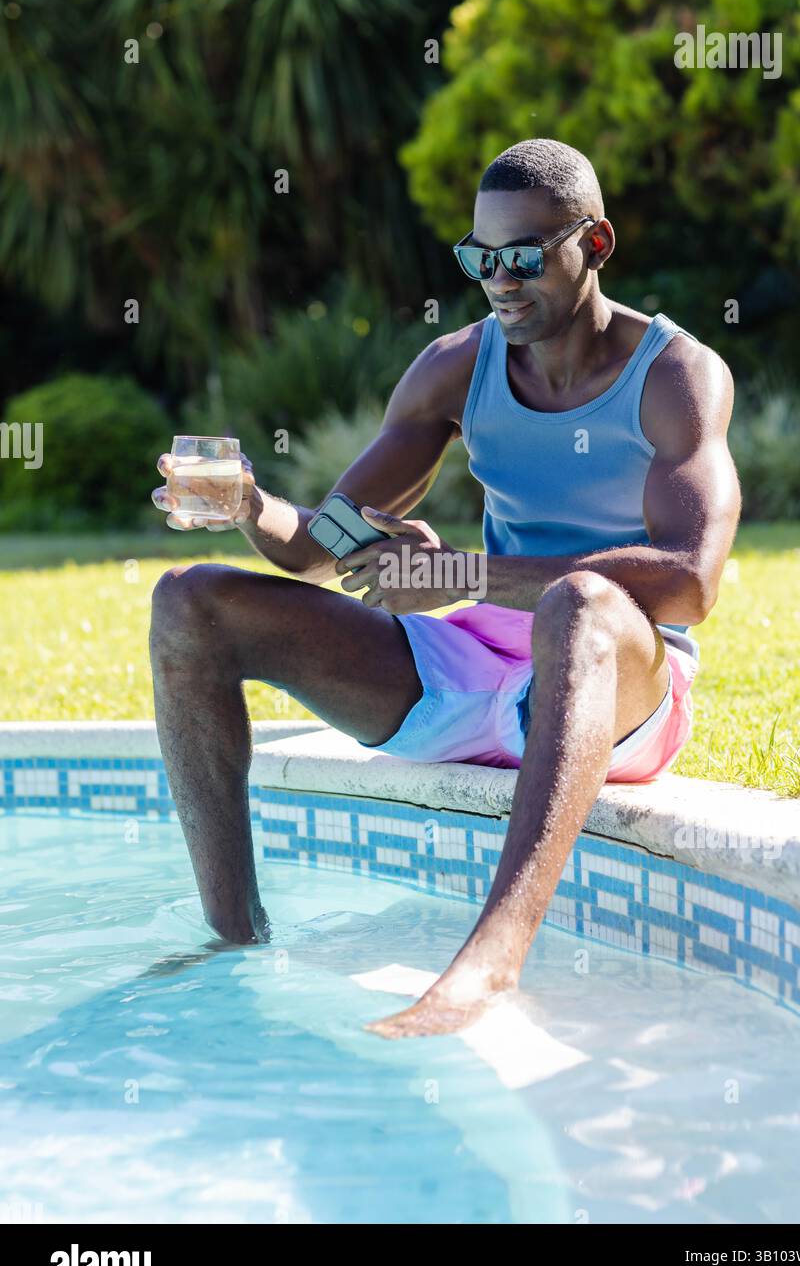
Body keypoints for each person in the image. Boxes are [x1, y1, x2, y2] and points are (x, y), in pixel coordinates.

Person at [150, 138, 740, 1038]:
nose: (498, 281)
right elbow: (318, 547)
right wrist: (248, 504)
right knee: (189, 603)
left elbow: (689, 584)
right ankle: (232, 942)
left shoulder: (672, 376)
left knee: (575, 606)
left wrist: (459, 574)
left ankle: (488, 966)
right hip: (472, 671)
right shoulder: (455, 369)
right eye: (478, 259)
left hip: (615, 689)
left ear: (597, 243)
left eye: (522, 257)